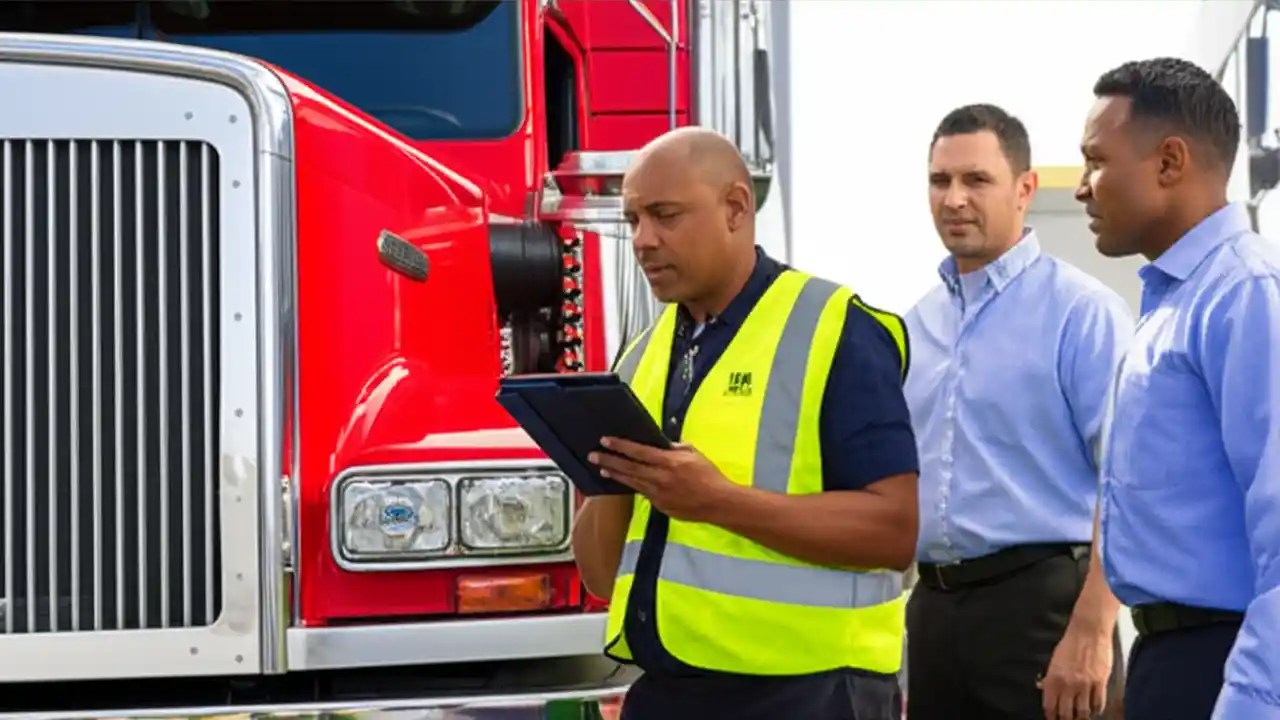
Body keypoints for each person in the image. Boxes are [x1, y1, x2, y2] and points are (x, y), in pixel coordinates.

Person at [570, 126, 921, 720]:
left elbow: (894, 532)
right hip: (670, 688)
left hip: (813, 694)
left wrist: (717, 501)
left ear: (736, 207)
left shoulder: (835, 330)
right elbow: (603, 575)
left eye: (665, 215)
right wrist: (604, 477)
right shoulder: (640, 358)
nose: (643, 241)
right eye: (632, 221)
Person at [903, 103, 1133, 720]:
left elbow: (1129, 483)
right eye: (940, 180)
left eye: (976, 180)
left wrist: (1092, 631)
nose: (953, 200)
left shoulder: (1080, 313)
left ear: (1025, 189)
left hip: (1045, 610)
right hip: (935, 610)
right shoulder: (914, 325)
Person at [1076, 57, 1280, 719]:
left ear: (1169, 162)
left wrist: (1249, 702)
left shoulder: (1243, 296)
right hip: (1174, 660)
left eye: (1096, 161)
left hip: (1225, 667)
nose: (1083, 187)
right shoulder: (1175, 302)